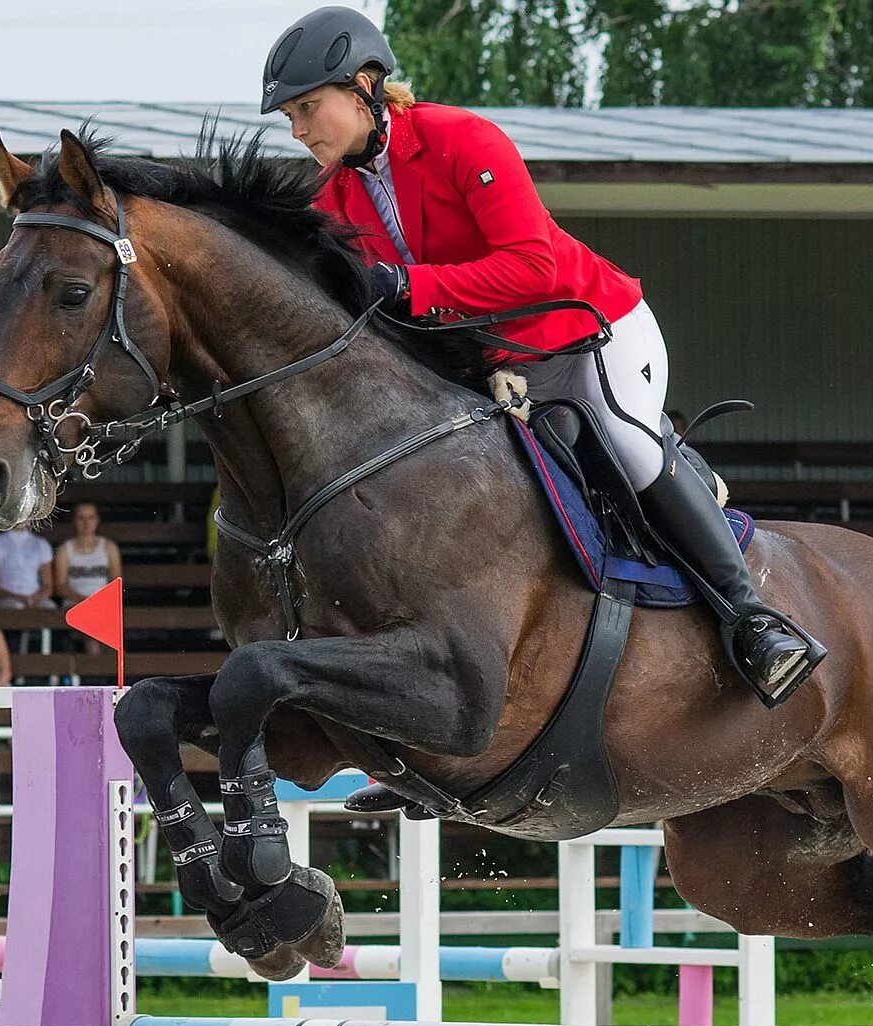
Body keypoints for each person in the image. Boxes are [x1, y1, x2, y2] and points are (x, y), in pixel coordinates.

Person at [264, 6, 819, 711]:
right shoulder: (333, 199)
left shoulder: (462, 139)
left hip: (591, 329)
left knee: (628, 448)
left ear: (365, 87)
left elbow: (533, 267)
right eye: (290, 117)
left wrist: (408, 285)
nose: (299, 130)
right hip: (502, 364)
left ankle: (753, 621)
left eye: (307, 108)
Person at [55, 502, 120, 605]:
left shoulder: (109, 547)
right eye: (81, 518)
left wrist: (99, 601)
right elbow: (61, 587)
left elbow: (116, 582)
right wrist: (83, 600)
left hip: (102, 604)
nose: (86, 523)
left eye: (91, 518)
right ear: (74, 520)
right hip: (73, 605)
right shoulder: (64, 549)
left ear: (97, 520)